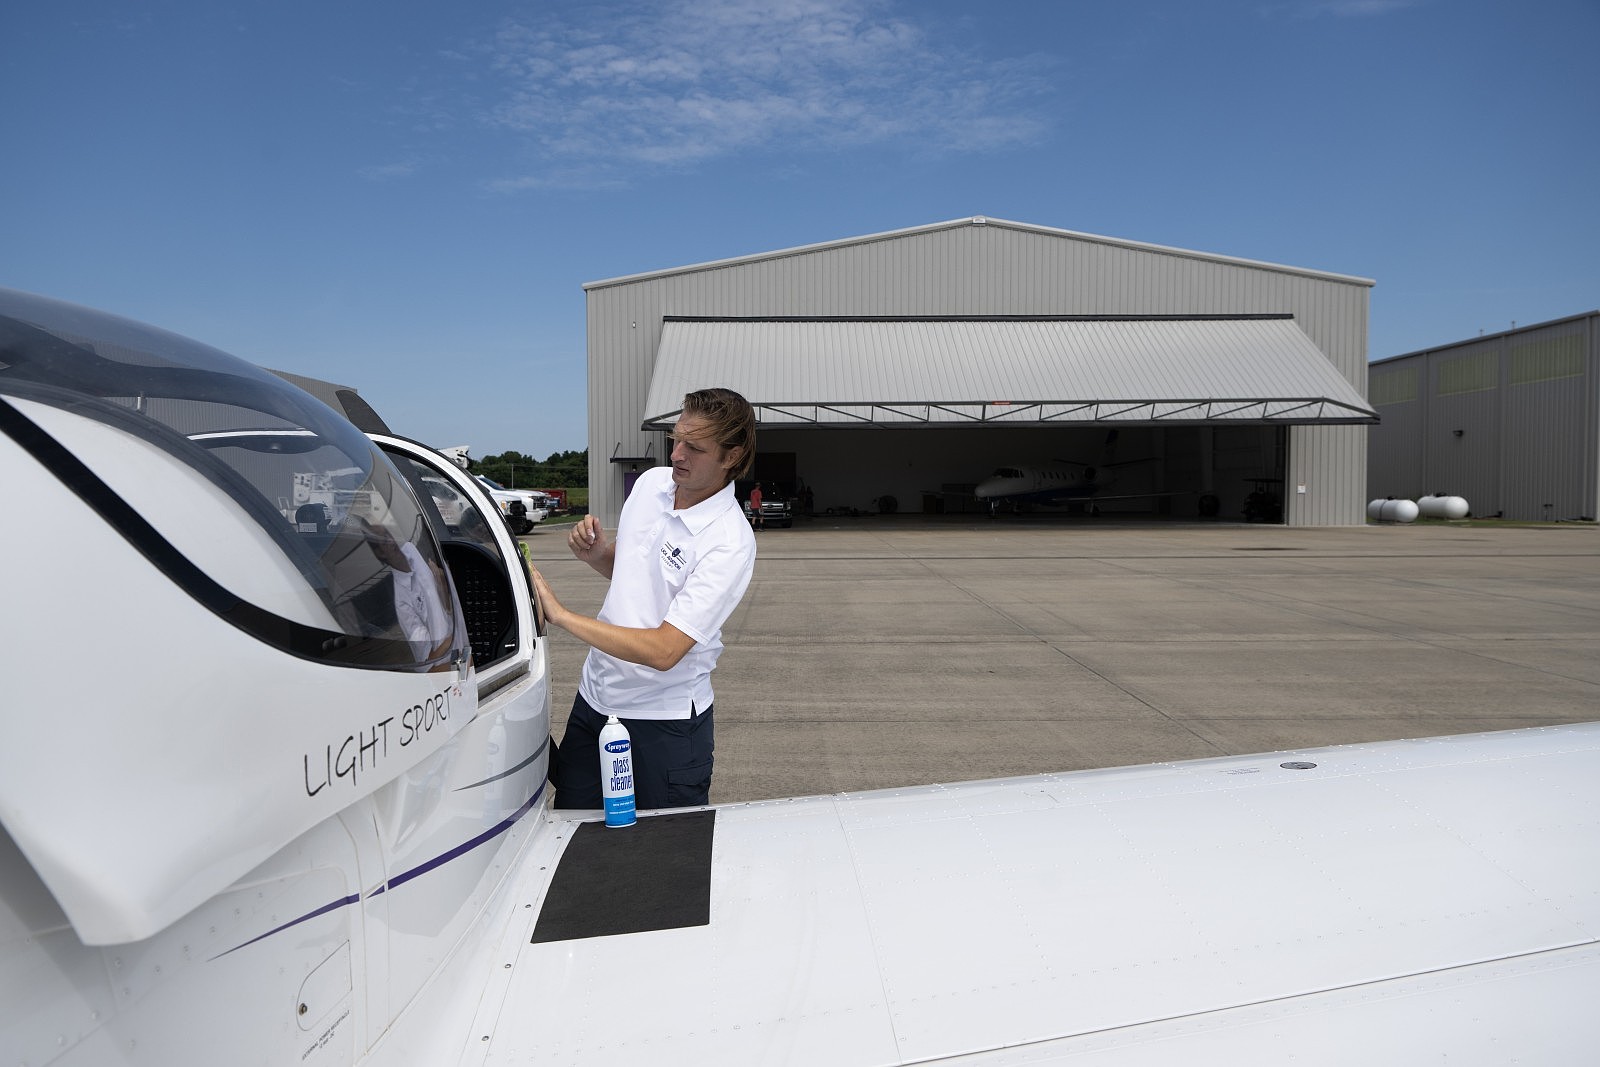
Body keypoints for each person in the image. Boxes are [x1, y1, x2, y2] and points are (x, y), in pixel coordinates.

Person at [528, 388, 757, 811]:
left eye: (695, 447)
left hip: (663, 728)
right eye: (676, 439)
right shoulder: (652, 485)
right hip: (594, 703)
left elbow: (665, 650)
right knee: (571, 839)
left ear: (731, 457)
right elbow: (636, 572)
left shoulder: (729, 541)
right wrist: (597, 554)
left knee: (655, 865)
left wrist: (560, 616)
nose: (677, 455)